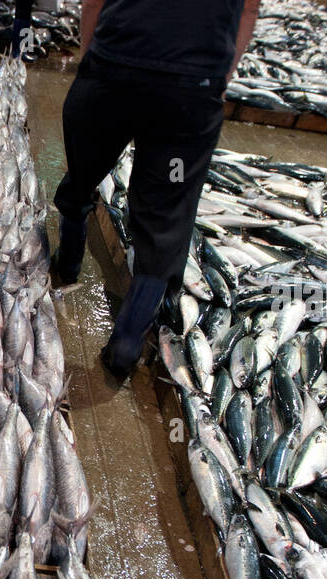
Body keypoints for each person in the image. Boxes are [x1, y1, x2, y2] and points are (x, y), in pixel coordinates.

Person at [50, 0, 261, 378]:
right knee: (168, 208)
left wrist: (92, 63)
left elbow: (93, 2)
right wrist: (216, 79)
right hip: (185, 101)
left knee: (84, 169)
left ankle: (68, 260)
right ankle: (127, 342)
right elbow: (248, 10)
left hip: (112, 75)